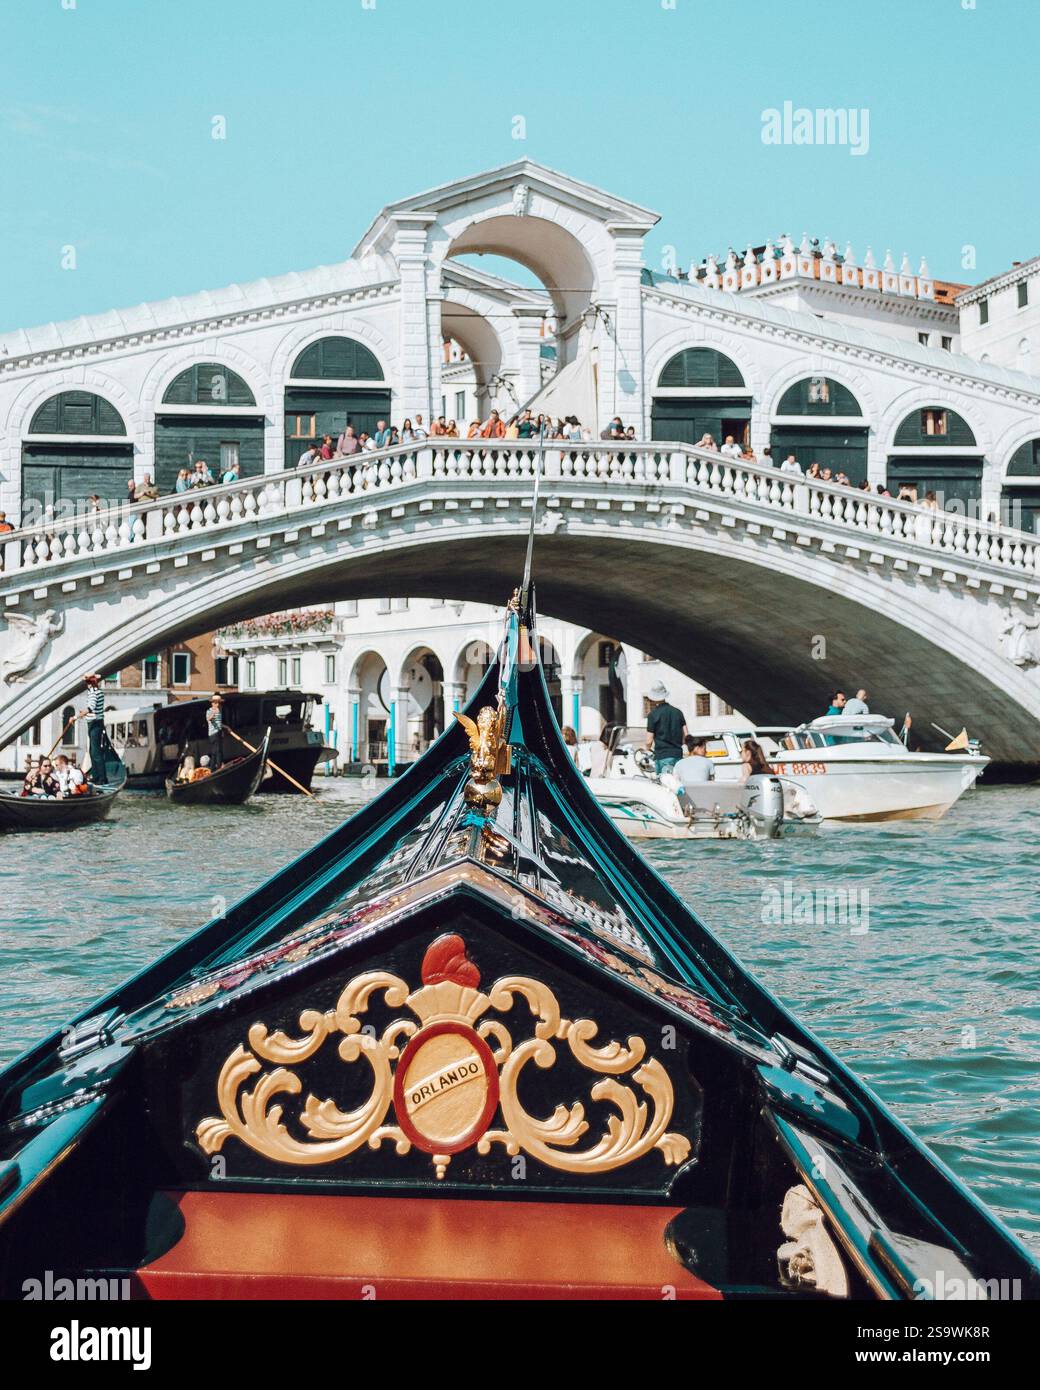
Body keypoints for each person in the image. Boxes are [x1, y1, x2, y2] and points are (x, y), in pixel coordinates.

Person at [645, 682, 687, 776]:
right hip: (678, 756)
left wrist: (646, 749)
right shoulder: (678, 712)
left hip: (663, 756)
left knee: (665, 786)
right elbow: (686, 736)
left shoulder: (653, 715)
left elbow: (649, 741)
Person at [78, 672, 108, 780]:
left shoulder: (94, 693)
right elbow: (92, 709)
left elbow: (91, 707)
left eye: (86, 682)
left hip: (95, 723)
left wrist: (79, 715)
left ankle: (102, 779)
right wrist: (85, 713)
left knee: (95, 752)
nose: (86, 684)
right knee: (92, 751)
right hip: (95, 722)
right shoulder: (95, 692)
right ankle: (97, 777)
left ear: (89, 683)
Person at [206, 695, 224, 770]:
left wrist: (223, 730)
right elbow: (208, 719)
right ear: (212, 703)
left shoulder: (219, 711)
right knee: (218, 751)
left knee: (214, 752)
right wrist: (214, 712)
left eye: (219, 703)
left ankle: (212, 768)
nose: (218, 704)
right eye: (216, 703)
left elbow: (218, 723)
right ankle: (219, 768)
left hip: (217, 732)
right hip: (213, 734)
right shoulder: (210, 710)